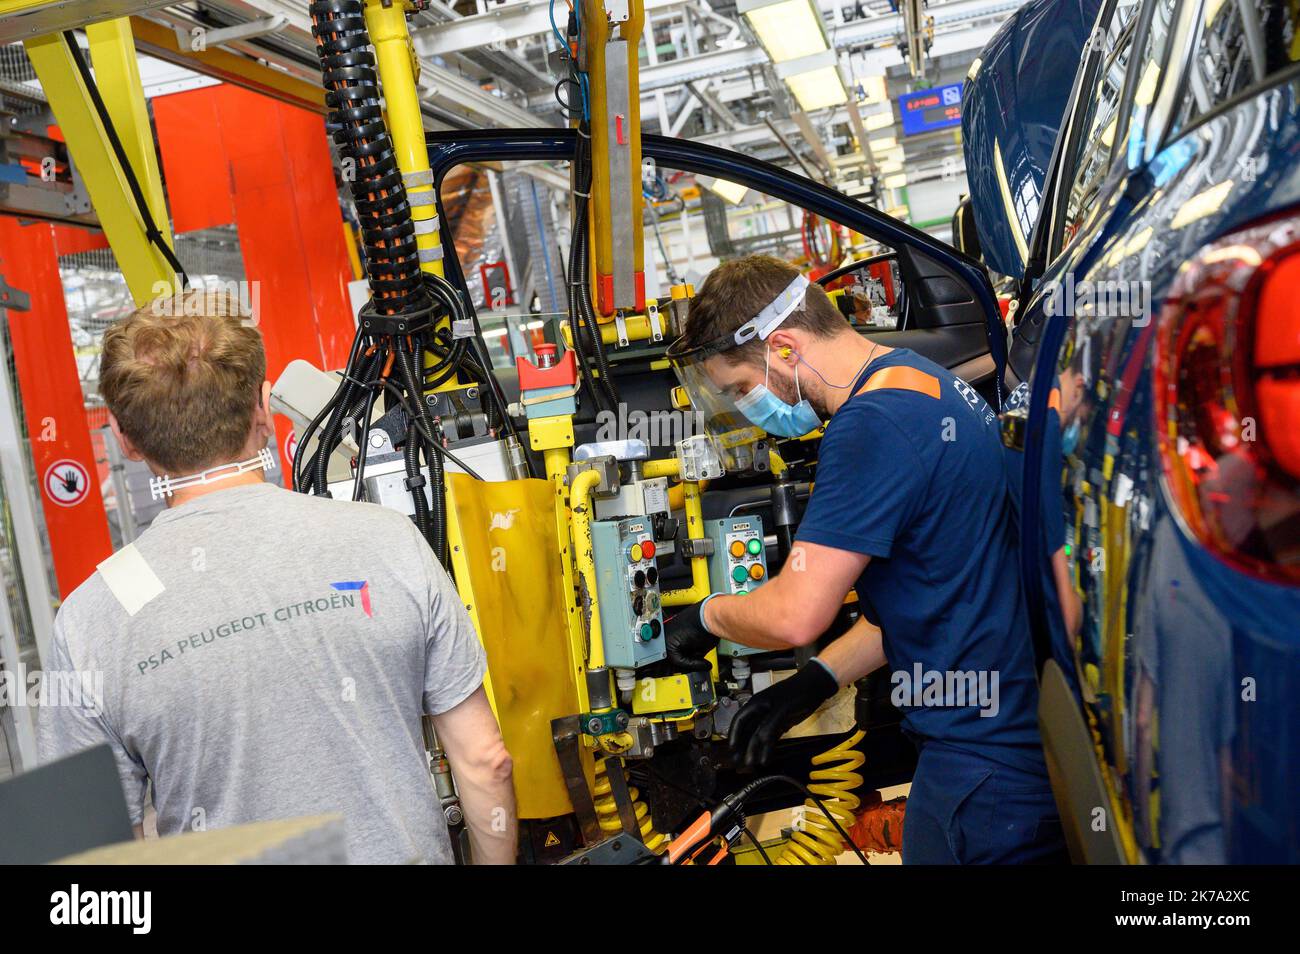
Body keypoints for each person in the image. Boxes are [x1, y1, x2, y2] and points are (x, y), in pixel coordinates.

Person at [38, 289, 516, 864]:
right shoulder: (385, 539)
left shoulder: (92, 619)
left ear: (124, 438)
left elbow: (86, 850)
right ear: (265, 408)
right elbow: (485, 760)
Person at [664, 254, 1065, 864]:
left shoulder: (871, 425)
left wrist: (707, 617)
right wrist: (812, 683)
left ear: (785, 349)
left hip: (981, 771)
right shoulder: (915, 379)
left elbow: (795, 615)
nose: (746, 409)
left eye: (742, 389)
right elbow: (931, 589)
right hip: (1012, 741)